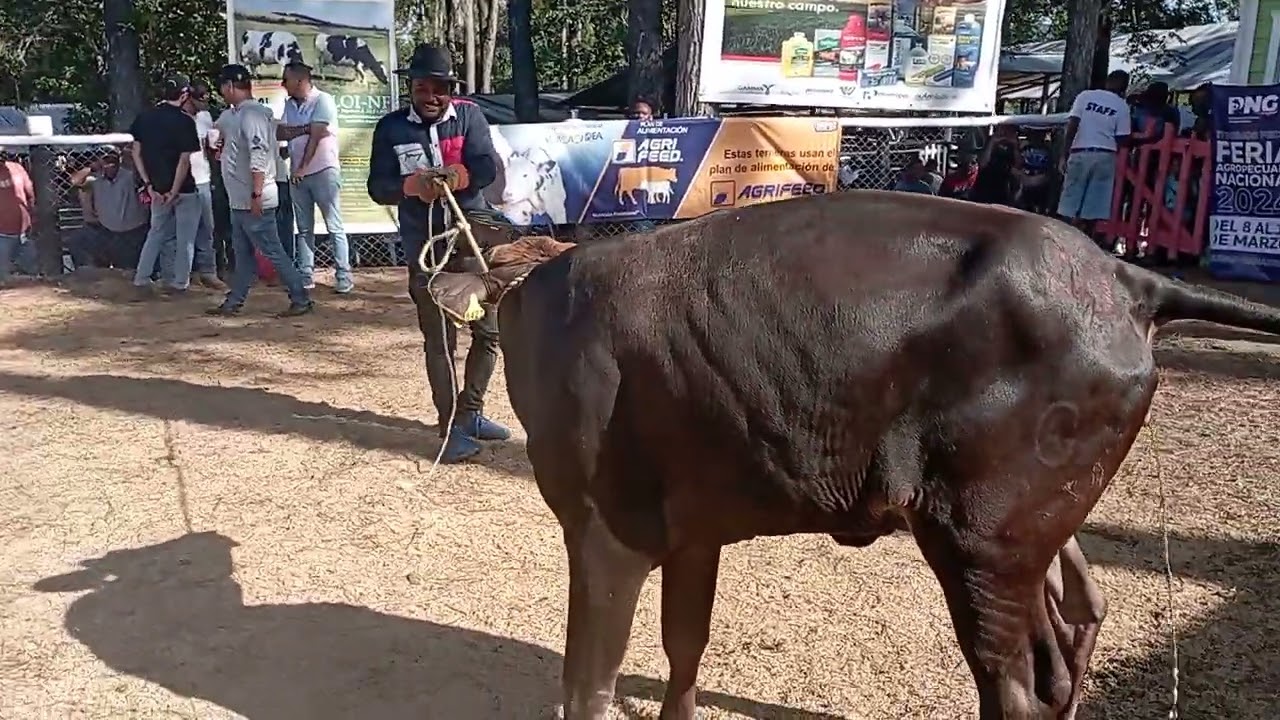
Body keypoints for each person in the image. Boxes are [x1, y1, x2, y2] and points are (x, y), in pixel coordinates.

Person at [367, 43, 509, 463]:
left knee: (490, 331)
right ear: (410, 88)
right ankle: (449, 430)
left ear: (451, 90)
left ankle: (472, 412)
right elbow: (377, 187)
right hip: (425, 249)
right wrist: (409, 187)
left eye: (439, 89)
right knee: (441, 339)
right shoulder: (390, 128)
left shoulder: (469, 116)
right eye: (422, 88)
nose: (431, 97)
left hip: (472, 243)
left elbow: (486, 168)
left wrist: (459, 175)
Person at [205, 64, 313, 317]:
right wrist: (215, 141)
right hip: (239, 199)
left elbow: (259, 155)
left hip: (255, 197)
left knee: (273, 251)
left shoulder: (252, 115)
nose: (221, 91)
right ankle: (235, 301)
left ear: (230, 86)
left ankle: (300, 297)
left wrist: (256, 194)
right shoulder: (234, 115)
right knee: (242, 254)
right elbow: (217, 130)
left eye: (223, 86)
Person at [281, 62, 354, 293]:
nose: (283, 84)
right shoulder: (289, 104)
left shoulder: (323, 100)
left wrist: (302, 167)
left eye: (286, 80)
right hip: (298, 174)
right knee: (303, 229)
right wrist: (306, 129)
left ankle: (343, 276)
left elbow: (317, 136)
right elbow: (281, 132)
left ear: (300, 81)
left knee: (334, 225)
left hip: (323, 172)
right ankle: (305, 274)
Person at [129, 74, 203, 297]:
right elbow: (183, 160)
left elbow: (136, 152)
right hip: (183, 189)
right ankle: (180, 283)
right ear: (183, 95)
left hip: (156, 187)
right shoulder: (185, 121)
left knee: (156, 233)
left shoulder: (144, 118)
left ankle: (142, 278)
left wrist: (149, 184)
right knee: (185, 238)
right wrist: (175, 189)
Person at [1057, 70, 1131, 237]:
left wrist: (1064, 153)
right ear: (1124, 88)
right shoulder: (1121, 106)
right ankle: (1087, 242)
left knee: (1069, 203)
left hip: (1080, 151)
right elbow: (1123, 137)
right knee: (1093, 208)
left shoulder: (1085, 96)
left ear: (1107, 82)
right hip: (1105, 154)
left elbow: (1073, 124)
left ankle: (1061, 239)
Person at [66, 147, 151, 270]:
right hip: (108, 232)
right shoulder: (94, 179)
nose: (109, 162)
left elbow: (142, 175)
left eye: (112, 157)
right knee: (79, 241)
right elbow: (74, 180)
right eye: (105, 158)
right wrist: (92, 168)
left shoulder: (130, 176)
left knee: (128, 270)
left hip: (133, 232)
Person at [183, 81, 227, 290]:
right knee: (183, 231)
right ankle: (186, 273)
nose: (204, 103)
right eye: (200, 98)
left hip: (202, 177)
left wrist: (214, 146)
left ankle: (208, 271)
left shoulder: (205, 117)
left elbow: (210, 145)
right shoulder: (178, 119)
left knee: (206, 228)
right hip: (183, 180)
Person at [0, 154, 36, 284]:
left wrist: (31, 218)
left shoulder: (16, 168)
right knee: (3, 278)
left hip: (24, 231)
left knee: (33, 276)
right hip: (2, 234)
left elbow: (30, 195)